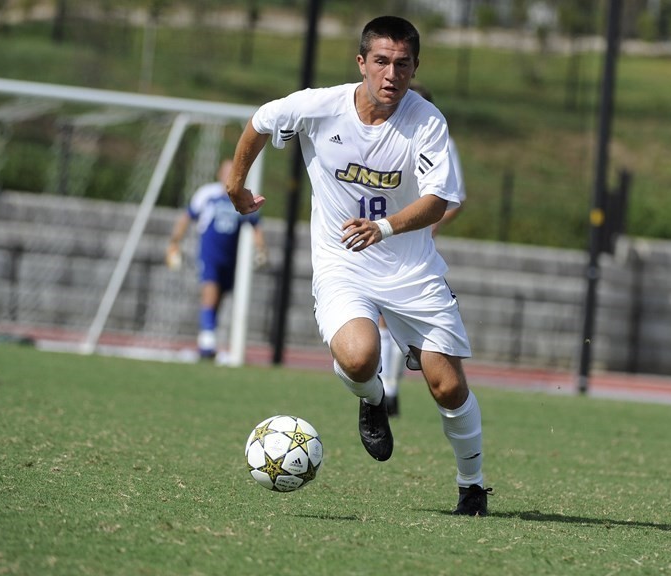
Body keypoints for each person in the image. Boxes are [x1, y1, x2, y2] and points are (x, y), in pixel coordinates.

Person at [225, 15, 490, 516]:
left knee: (447, 386)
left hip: (412, 270)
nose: (392, 74)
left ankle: (472, 485)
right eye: (383, 62)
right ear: (362, 63)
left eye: (404, 64)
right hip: (342, 263)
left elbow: (437, 201)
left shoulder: (427, 121)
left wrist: (385, 227)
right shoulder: (320, 107)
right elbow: (261, 120)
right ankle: (372, 400)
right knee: (357, 356)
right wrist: (236, 185)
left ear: (415, 67)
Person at [379, 80, 467, 417]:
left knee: (398, 320)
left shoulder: (439, 139)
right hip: (378, 240)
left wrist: (425, 227)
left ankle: (390, 388)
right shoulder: (377, 135)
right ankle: (384, 391)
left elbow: (453, 198)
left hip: (411, 249)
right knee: (376, 318)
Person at [166, 159, 268, 360]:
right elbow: (187, 217)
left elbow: (255, 224)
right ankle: (206, 343)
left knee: (219, 298)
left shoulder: (241, 197)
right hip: (209, 253)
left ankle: (208, 340)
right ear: (220, 174)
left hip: (231, 257)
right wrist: (174, 243)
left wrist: (261, 249)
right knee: (210, 292)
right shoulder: (208, 194)